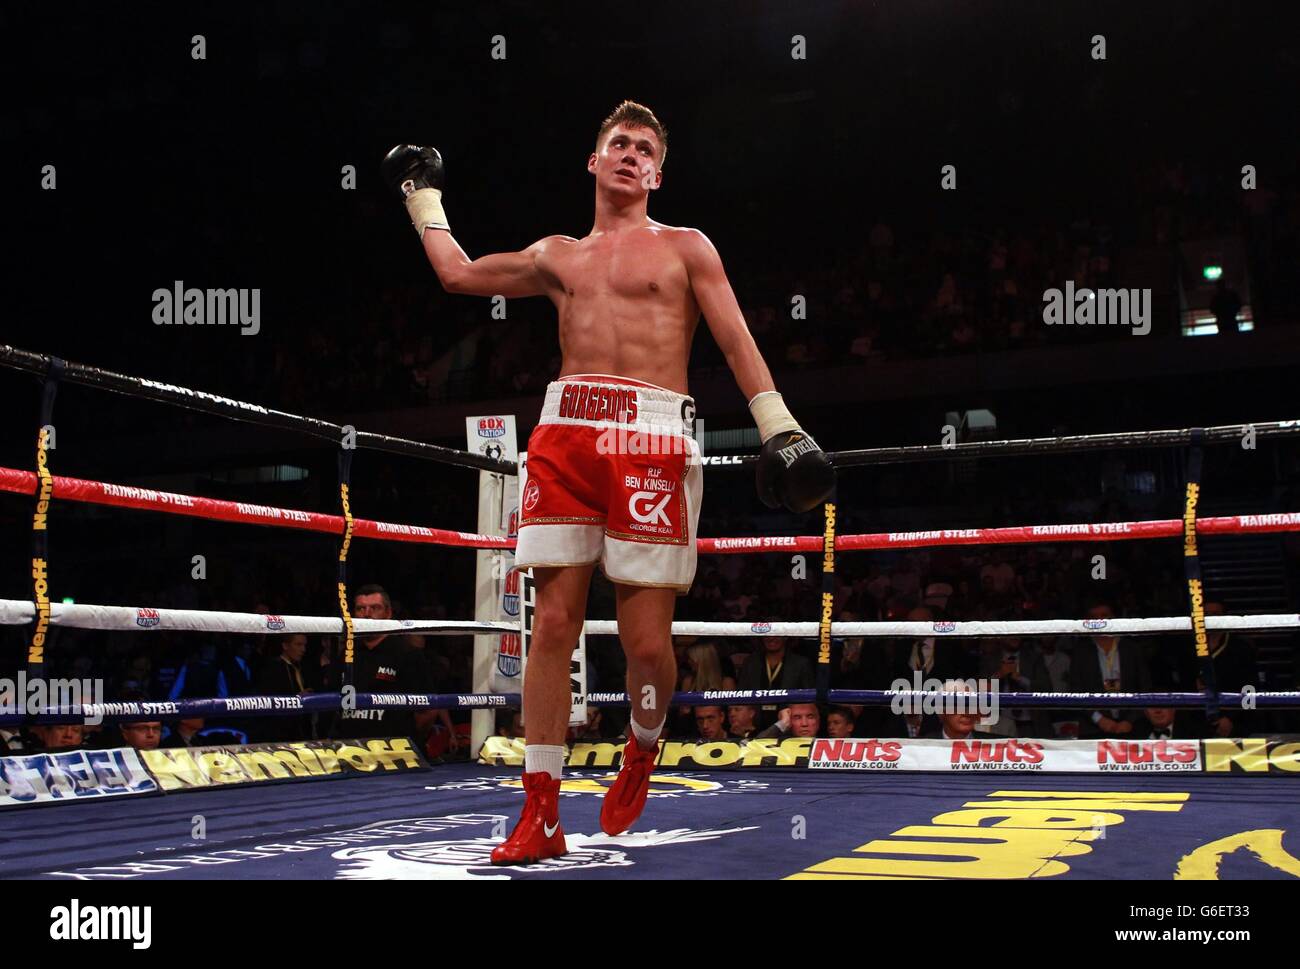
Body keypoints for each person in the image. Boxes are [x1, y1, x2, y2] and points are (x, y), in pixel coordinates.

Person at [384, 101, 833, 865]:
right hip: (564, 434)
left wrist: (780, 427)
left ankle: (644, 741)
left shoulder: (688, 248)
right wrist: (421, 195)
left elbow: (734, 338)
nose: (629, 154)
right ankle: (541, 810)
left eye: (644, 148)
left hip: (652, 441)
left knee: (647, 644)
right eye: (617, 143)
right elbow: (459, 273)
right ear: (593, 162)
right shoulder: (557, 255)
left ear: (657, 173)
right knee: (551, 626)